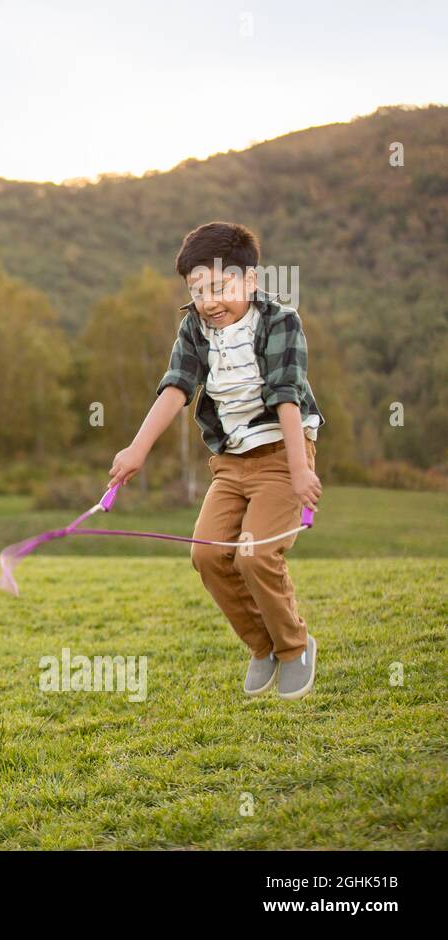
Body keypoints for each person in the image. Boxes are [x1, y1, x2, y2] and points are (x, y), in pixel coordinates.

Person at [108, 222, 325, 699]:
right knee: (206, 554)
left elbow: (287, 394)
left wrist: (299, 466)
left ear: (250, 279)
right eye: (197, 289)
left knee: (255, 553)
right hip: (230, 461)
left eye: (221, 287)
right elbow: (177, 386)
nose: (210, 301)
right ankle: (261, 645)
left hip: (280, 454)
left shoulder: (280, 320)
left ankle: (294, 647)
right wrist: (136, 450)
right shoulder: (195, 326)